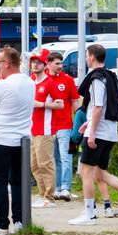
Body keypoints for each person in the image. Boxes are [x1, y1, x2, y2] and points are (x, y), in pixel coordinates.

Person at [69, 43, 118, 225]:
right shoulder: (109, 76)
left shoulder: (96, 79)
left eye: (86, 55)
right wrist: (88, 123)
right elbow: (100, 107)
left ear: (92, 57)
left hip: (98, 133)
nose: (86, 59)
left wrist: (91, 132)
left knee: (86, 171)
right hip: (109, 131)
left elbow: (98, 106)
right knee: (100, 173)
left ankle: (89, 214)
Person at [0, 46, 36, 235]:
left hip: (1, 138)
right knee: (18, 181)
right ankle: (19, 220)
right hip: (23, 139)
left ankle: (2, 224)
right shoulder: (29, 82)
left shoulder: (3, 84)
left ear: (7, 63)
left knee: (0, 182)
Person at [39, 52, 79, 200]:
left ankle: (65, 188)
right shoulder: (41, 79)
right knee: (53, 158)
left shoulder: (67, 80)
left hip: (65, 124)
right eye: (57, 63)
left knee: (66, 156)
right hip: (48, 126)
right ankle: (56, 188)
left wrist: (78, 120)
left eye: (61, 63)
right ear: (48, 64)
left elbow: (75, 100)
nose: (60, 66)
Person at [28, 50, 60, 208]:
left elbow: (60, 104)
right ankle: (43, 195)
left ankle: (49, 197)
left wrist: (42, 105)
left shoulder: (50, 83)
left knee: (45, 163)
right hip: (32, 129)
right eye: (33, 62)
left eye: (38, 62)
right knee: (34, 164)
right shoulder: (30, 81)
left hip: (46, 129)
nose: (35, 64)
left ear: (45, 64)